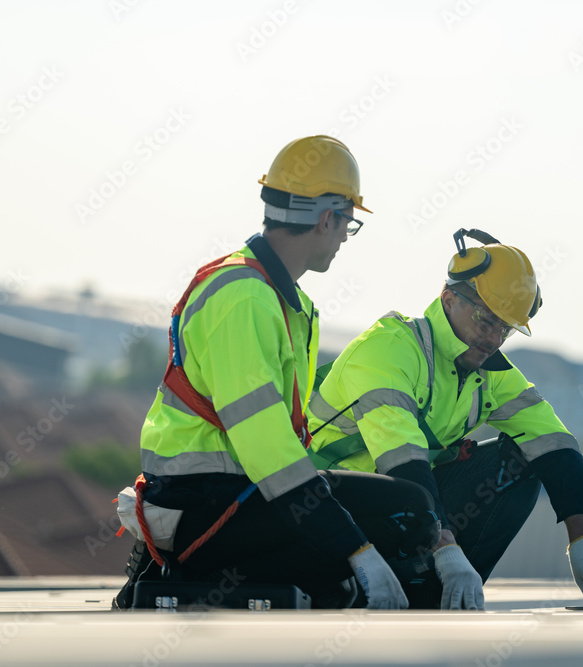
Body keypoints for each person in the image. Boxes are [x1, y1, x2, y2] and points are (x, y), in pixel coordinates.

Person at [113, 136, 439, 611]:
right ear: (327, 218)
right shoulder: (246, 298)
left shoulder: (276, 298)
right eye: (348, 223)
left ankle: (326, 591)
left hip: (234, 497)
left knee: (399, 509)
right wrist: (356, 548)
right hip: (205, 511)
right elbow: (268, 449)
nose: (345, 236)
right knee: (404, 511)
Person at [307, 228, 583, 610]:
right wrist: (447, 551)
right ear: (448, 299)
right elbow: (403, 463)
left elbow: (555, 444)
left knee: (519, 459)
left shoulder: (488, 371)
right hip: (326, 503)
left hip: (402, 505)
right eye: (486, 320)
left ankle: (448, 594)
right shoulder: (389, 349)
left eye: (505, 328)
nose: (493, 337)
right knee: (410, 489)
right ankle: (438, 572)